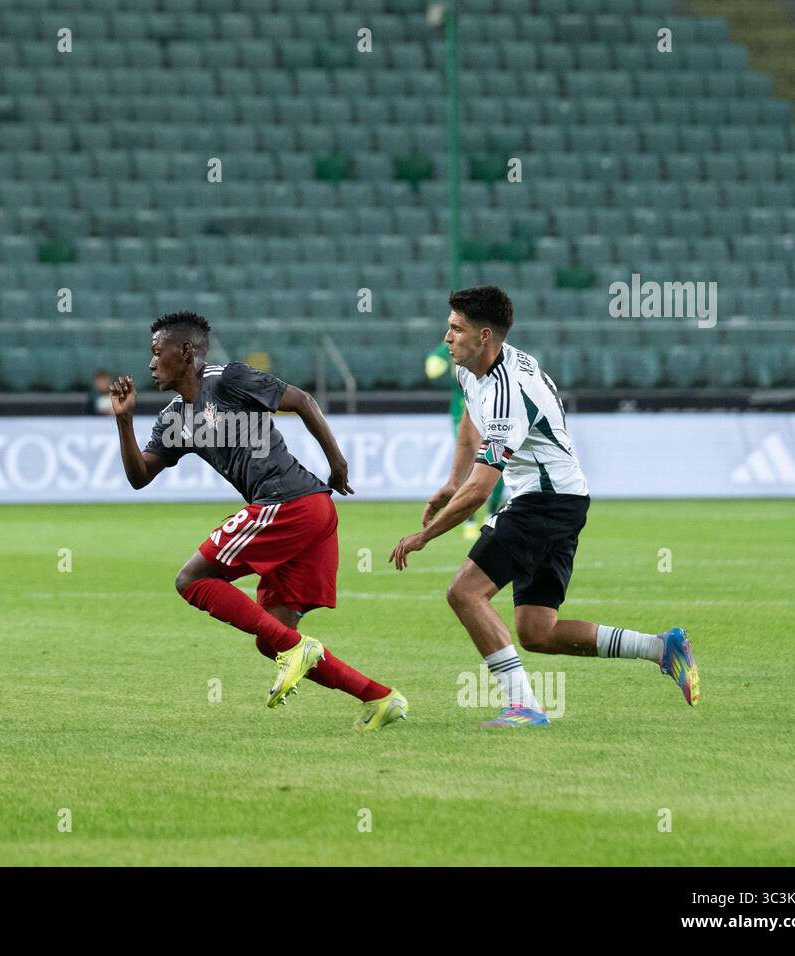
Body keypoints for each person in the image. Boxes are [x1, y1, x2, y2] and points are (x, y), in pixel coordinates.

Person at [390, 287, 699, 727]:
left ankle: (526, 707)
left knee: (464, 593)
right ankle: (661, 648)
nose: (446, 337)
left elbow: (481, 491)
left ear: (484, 335)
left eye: (455, 329)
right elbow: (468, 425)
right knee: (538, 631)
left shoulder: (509, 391)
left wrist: (424, 535)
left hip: (545, 502)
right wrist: (450, 481)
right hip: (559, 499)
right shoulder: (472, 369)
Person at [109, 311, 407, 731]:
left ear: (186, 351)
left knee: (190, 580)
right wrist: (123, 420)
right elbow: (140, 476)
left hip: (288, 504)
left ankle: (297, 650)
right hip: (311, 513)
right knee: (274, 640)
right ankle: (378, 698)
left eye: (158, 352)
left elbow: (301, 400)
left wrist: (337, 463)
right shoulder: (175, 418)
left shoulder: (227, 379)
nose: (151, 363)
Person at [426, 340, 507, 538]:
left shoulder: (493, 345)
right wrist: (439, 361)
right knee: (470, 462)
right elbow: (432, 368)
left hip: (494, 410)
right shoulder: (452, 344)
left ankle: (492, 512)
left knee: (497, 460)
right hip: (463, 409)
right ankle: (468, 518)